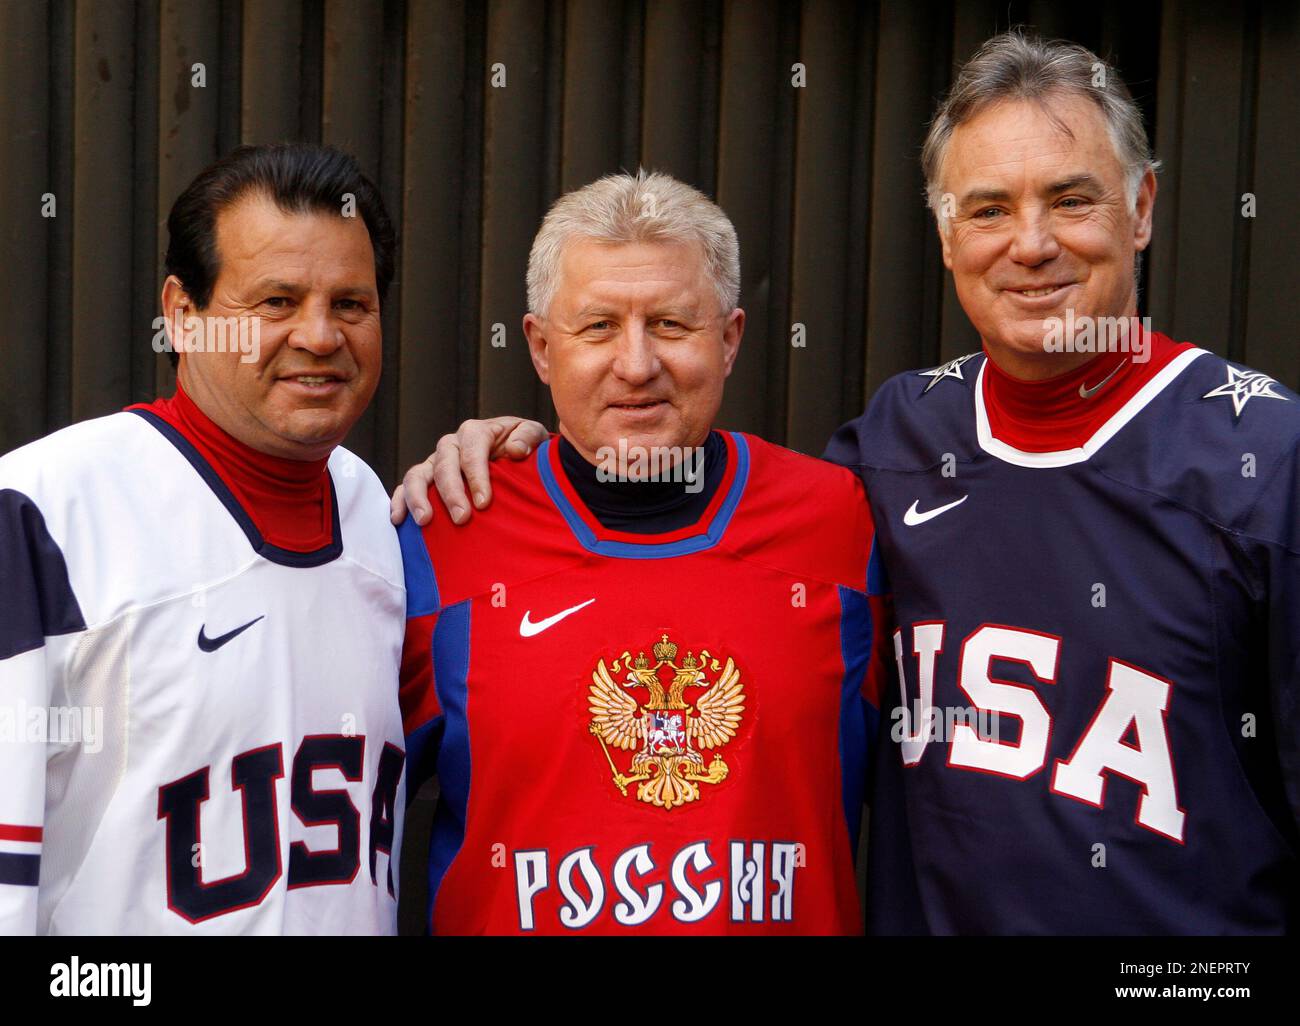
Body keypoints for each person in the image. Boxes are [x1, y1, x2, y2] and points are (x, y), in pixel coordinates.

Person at [402, 33, 1299, 934]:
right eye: (988, 209)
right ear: (948, 236)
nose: (1030, 243)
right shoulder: (888, 456)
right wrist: (517, 449)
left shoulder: (1267, 460)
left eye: (1070, 199)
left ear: (1141, 207)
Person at [396, 170, 892, 934]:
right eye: (596, 327)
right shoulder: (446, 533)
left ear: (728, 340)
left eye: (670, 324)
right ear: (539, 347)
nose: (635, 364)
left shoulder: (841, 523)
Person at [0, 144, 407, 934]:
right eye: (276, 303)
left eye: (351, 304)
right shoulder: (45, 510)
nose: (319, 336)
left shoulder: (381, 517)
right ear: (184, 315)